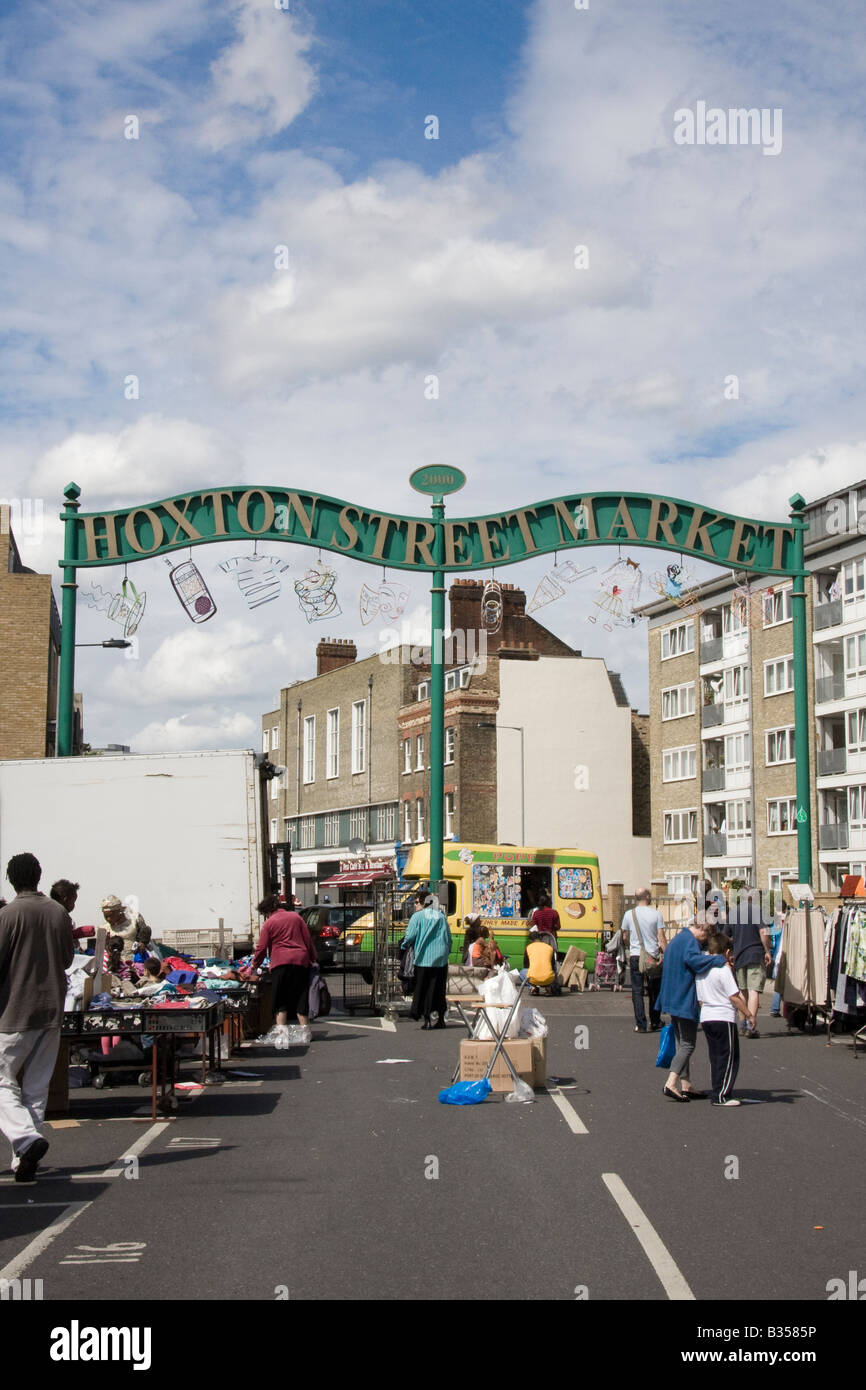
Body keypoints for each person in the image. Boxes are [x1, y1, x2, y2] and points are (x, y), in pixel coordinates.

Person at [0, 852, 76, 1183]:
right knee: (35, 1088)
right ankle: (24, 1159)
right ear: (39, 875)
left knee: (3, 1082)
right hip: (51, 1010)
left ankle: (26, 1140)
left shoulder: (7, 915)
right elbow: (67, 957)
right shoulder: (58, 913)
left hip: (13, 1011)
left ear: (11, 879)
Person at [657, 916, 726, 1102]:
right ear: (703, 930)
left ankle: (686, 1085)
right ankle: (671, 1082)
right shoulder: (690, 942)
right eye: (706, 937)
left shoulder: (678, 938)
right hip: (683, 997)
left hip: (671, 996)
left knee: (681, 1042)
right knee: (688, 1043)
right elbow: (694, 961)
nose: (705, 942)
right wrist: (717, 959)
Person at [251, 893, 317, 1047]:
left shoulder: (269, 924)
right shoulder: (295, 917)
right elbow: (307, 940)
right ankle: (306, 1032)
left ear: (267, 911)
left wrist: (255, 964)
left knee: (280, 996)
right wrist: (313, 959)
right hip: (301, 961)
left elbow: (261, 947)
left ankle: (282, 1034)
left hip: (280, 962)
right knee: (301, 995)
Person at [697, 932, 752, 1106]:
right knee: (728, 1057)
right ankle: (721, 1095)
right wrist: (749, 1015)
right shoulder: (723, 970)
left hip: (706, 1016)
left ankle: (718, 1089)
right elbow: (734, 997)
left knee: (716, 1057)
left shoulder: (702, 969)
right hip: (723, 1017)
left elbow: (699, 999)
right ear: (727, 952)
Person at [728, 890, 773, 1038]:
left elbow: (726, 935)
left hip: (739, 955)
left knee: (742, 991)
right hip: (755, 954)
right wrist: (767, 950)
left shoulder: (733, 913)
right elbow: (764, 932)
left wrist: (730, 952)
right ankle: (751, 1026)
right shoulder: (757, 911)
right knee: (753, 990)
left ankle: (742, 1025)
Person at [405, 892, 452, 1029]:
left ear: (423, 902)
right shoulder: (441, 917)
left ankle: (426, 1019)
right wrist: (447, 950)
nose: (415, 905)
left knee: (423, 988)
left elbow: (410, 936)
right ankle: (441, 1018)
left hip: (423, 958)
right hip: (440, 959)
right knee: (439, 988)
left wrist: (404, 945)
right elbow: (448, 937)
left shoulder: (417, 917)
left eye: (416, 902)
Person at [622, 888, 666, 1032]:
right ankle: (655, 1020)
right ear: (647, 897)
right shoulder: (656, 914)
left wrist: (633, 945)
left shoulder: (629, 914)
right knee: (654, 990)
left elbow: (625, 937)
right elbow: (661, 937)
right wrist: (665, 954)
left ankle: (641, 1024)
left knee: (637, 990)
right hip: (652, 956)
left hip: (636, 955)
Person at [100, 895, 152, 961]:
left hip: (136, 960)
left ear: (119, 911)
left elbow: (145, 932)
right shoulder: (103, 928)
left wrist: (142, 943)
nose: (109, 919)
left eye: (111, 915)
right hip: (116, 964)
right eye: (106, 916)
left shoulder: (134, 919)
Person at [522, 927, 558, 995]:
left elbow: (526, 965)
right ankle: (548, 988)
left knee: (522, 972)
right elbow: (553, 965)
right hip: (549, 978)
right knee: (551, 971)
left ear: (531, 940)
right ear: (540, 938)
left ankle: (533, 987)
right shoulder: (549, 947)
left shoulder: (528, 947)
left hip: (533, 979)